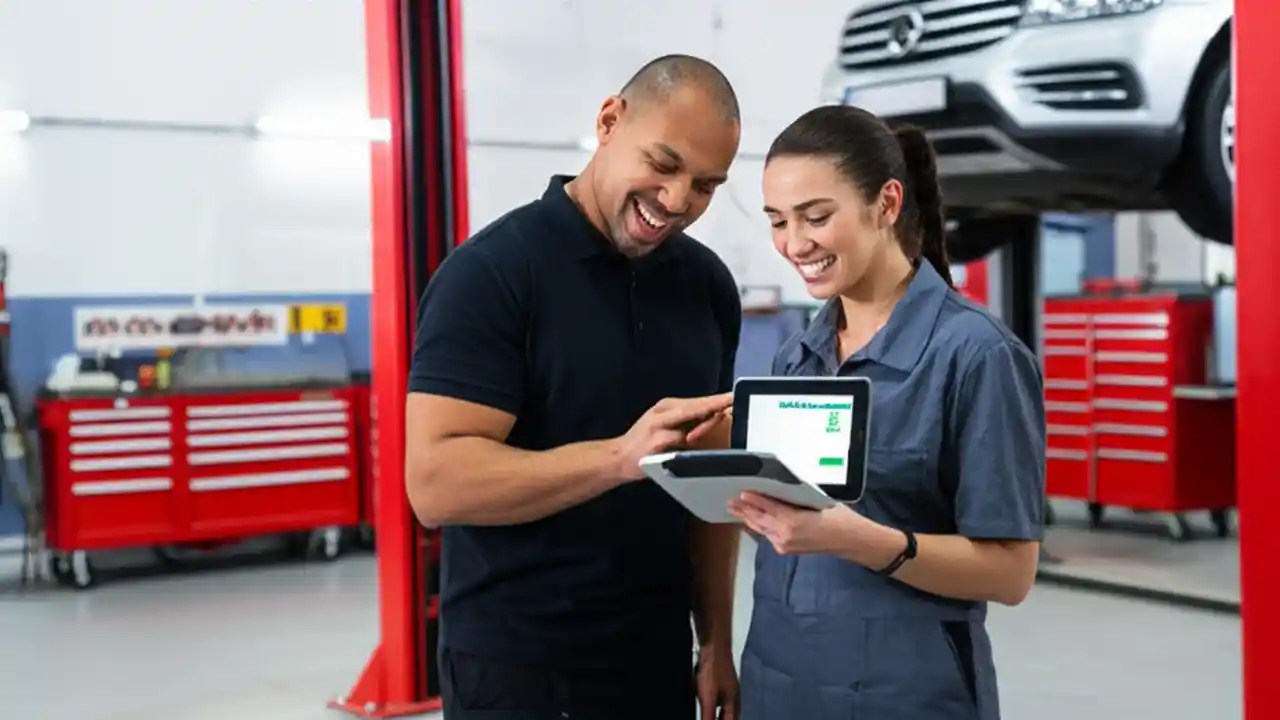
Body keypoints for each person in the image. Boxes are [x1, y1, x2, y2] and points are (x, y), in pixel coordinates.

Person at [404, 54, 745, 720]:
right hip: (518, 670)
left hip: (653, 661)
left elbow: (710, 485)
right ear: (610, 121)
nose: (677, 202)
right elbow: (434, 484)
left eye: (705, 185)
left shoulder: (707, 288)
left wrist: (716, 643)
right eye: (664, 164)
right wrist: (620, 461)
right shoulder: (494, 275)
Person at [725, 105, 1046, 719]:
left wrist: (866, 542)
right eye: (778, 221)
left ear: (888, 203)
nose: (796, 244)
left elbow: (1011, 573)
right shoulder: (799, 353)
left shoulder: (977, 356)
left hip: (901, 698)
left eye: (817, 217)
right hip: (778, 685)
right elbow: (789, 530)